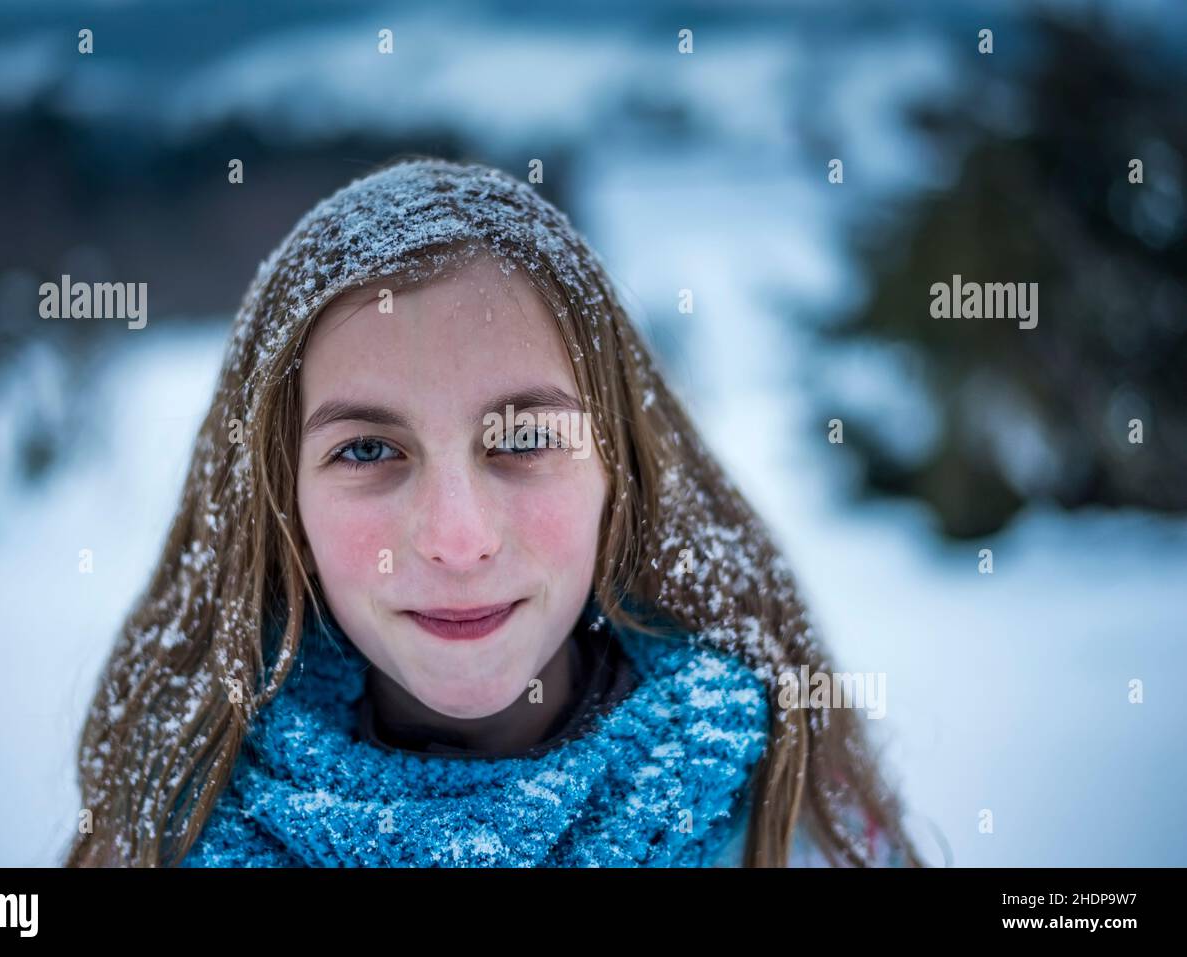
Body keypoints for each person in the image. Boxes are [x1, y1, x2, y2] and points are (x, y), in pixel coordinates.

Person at [64, 156, 921, 867]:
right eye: (367, 450)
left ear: (617, 471)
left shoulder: (798, 830)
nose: (457, 538)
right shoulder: (156, 838)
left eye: (522, 438)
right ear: (278, 504)